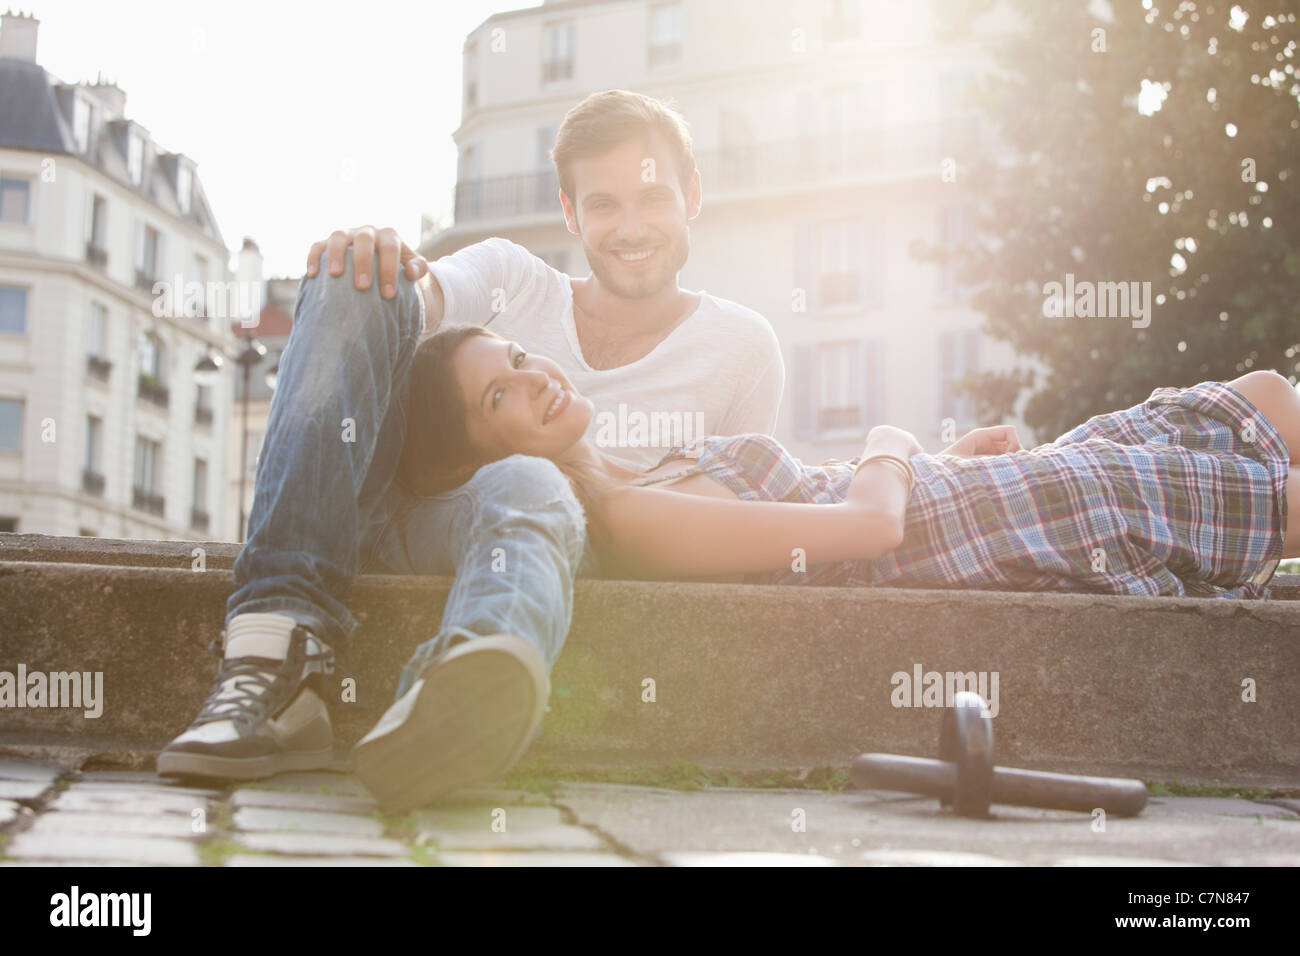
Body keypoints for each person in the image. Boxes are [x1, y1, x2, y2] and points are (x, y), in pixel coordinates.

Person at [156, 89, 784, 814]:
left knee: (529, 477)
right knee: (353, 270)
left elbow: (733, 526)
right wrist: (369, 257)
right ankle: (272, 652)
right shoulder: (511, 275)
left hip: (545, 531)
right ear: (572, 213)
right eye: (604, 204)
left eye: (652, 197)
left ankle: (454, 696)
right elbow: (400, 305)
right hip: (389, 510)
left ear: (692, 196)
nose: (632, 226)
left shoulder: (742, 348)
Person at [400, 323, 1297, 601]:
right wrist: (893, 441)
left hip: (966, 494)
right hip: (970, 529)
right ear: (484, 459)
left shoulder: (644, 475)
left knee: (1258, 394)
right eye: (497, 398)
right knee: (1277, 492)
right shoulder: (631, 520)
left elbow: (840, 502)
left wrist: (932, 454)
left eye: (517, 358)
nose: (533, 380)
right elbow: (868, 527)